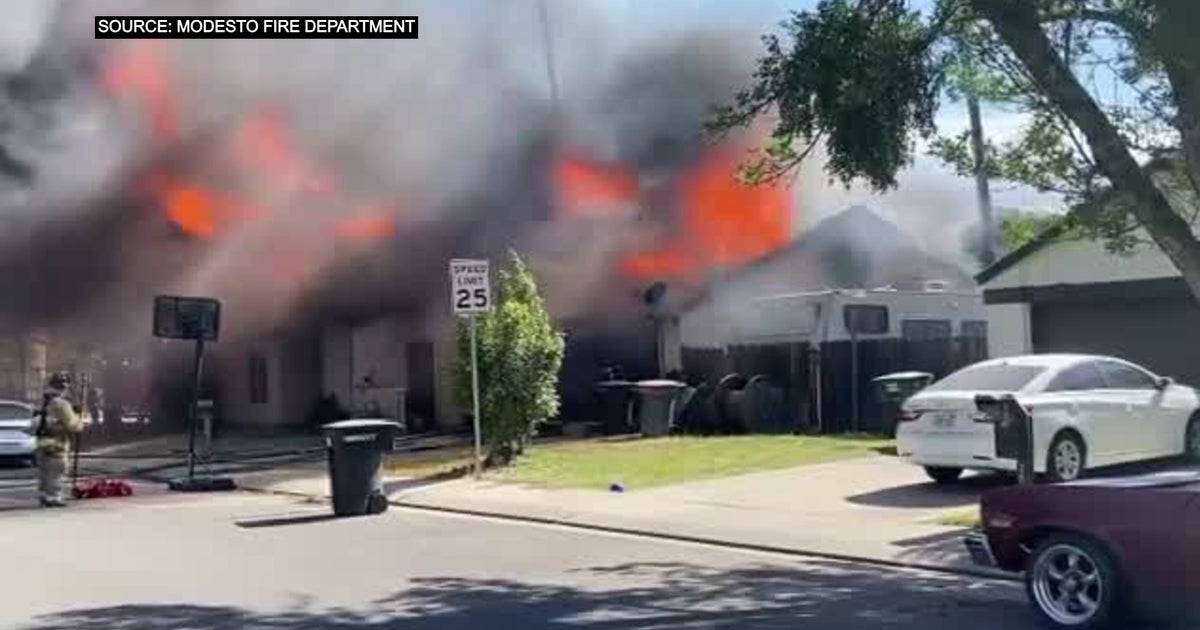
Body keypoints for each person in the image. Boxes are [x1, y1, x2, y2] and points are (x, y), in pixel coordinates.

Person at [34, 372, 84, 508]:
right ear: (64, 387)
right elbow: (73, 425)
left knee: (45, 471)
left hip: (42, 441)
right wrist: (78, 417)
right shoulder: (61, 404)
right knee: (57, 470)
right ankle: (53, 497)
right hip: (57, 442)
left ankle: (44, 495)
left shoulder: (42, 401)